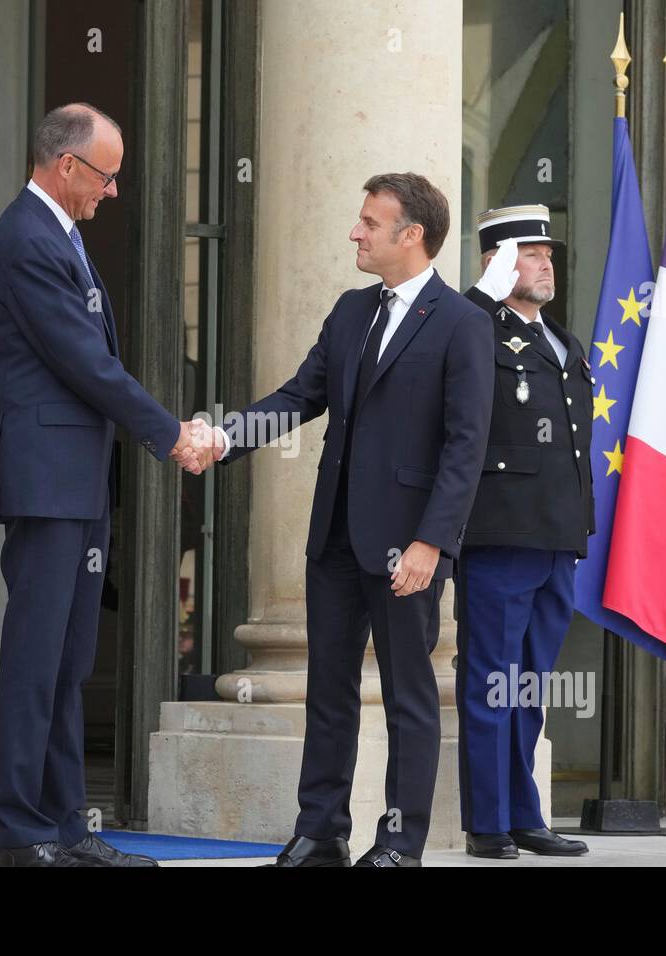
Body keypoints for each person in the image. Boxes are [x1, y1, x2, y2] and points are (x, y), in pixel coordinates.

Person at [199, 173, 493, 866]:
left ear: (411, 235)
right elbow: (300, 395)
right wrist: (222, 436)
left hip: (408, 549)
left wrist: (430, 542)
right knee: (328, 688)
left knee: (407, 696)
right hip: (334, 535)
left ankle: (398, 841)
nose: (356, 232)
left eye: (369, 221)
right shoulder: (351, 310)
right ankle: (322, 830)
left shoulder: (463, 323)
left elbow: (466, 446)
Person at [0, 102, 203, 867]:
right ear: (67, 166)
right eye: (105, 177)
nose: (111, 192)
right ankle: (21, 832)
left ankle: (66, 826)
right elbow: (83, 362)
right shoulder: (26, 239)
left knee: (69, 662)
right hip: (44, 482)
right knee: (36, 661)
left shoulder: (60, 235)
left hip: (74, 479)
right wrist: (169, 433)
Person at [454, 204, 593, 858]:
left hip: (557, 540)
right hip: (500, 537)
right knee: (491, 682)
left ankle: (523, 815)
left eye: (548, 254)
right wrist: (484, 292)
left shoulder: (562, 342)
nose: (546, 264)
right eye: (530, 253)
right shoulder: (475, 327)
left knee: (529, 689)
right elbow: (444, 338)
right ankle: (487, 824)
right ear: (497, 261)